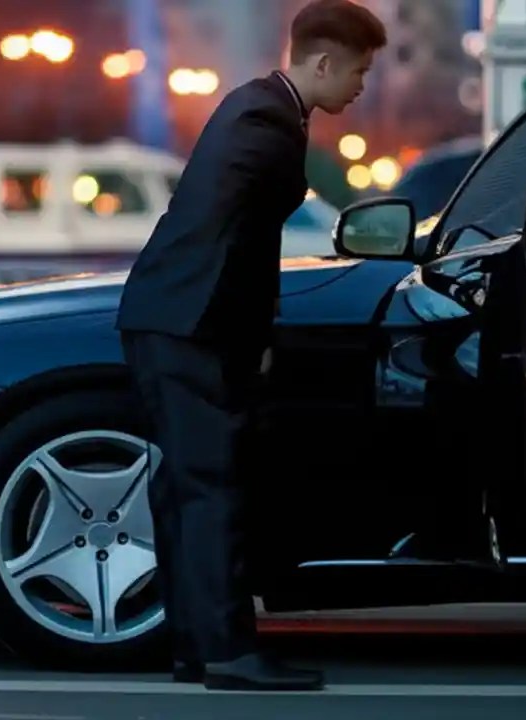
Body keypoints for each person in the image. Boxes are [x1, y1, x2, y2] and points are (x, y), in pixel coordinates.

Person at [116, 0, 387, 693]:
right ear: (322, 62)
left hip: (172, 318)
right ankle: (227, 651)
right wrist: (247, 334)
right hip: (191, 324)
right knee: (211, 487)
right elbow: (229, 233)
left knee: (186, 487)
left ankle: (192, 647)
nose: (362, 86)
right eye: (359, 71)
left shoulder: (262, 108)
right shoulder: (265, 120)